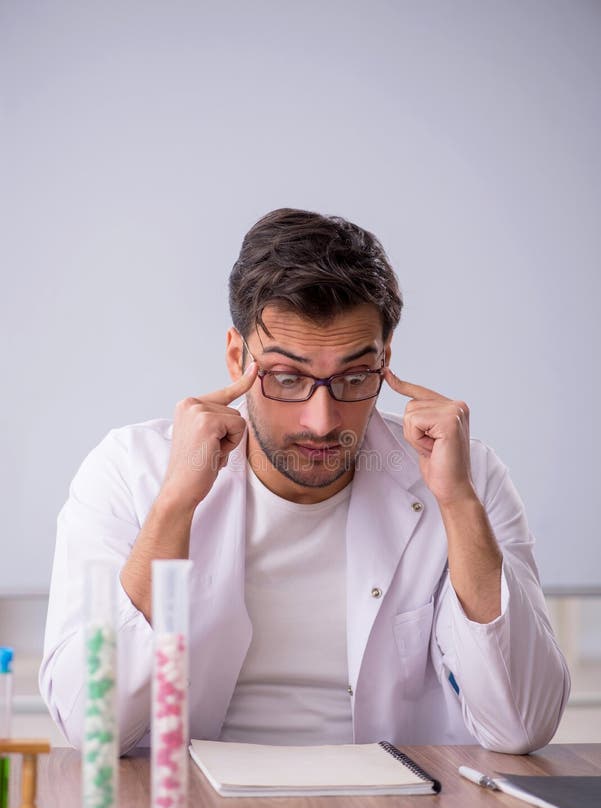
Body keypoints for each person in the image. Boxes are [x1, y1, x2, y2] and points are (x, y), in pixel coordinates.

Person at [40, 207, 570, 755]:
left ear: (385, 362)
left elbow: (522, 726)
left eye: (354, 377)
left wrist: (457, 503)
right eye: (287, 378)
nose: (321, 420)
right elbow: (92, 726)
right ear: (235, 358)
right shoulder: (132, 469)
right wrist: (176, 505)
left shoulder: (465, 474)